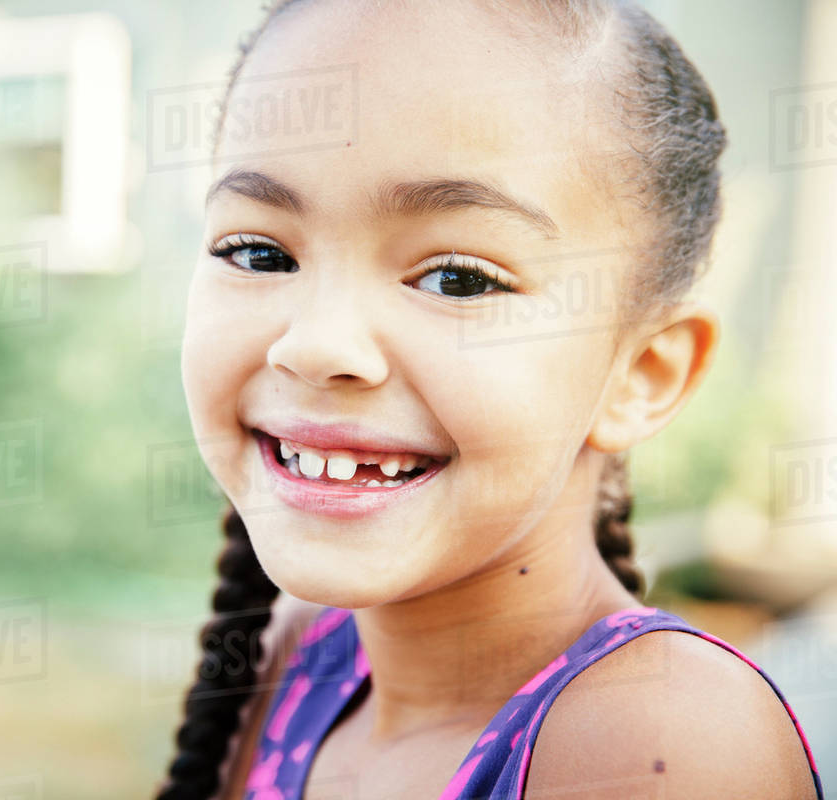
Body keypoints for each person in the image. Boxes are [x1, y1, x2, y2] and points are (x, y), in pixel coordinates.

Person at [156, 0, 826, 797]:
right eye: (259, 252)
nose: (315, 343)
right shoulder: (305, 661)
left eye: (458, 278)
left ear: (643, 373)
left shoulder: (661, 741)